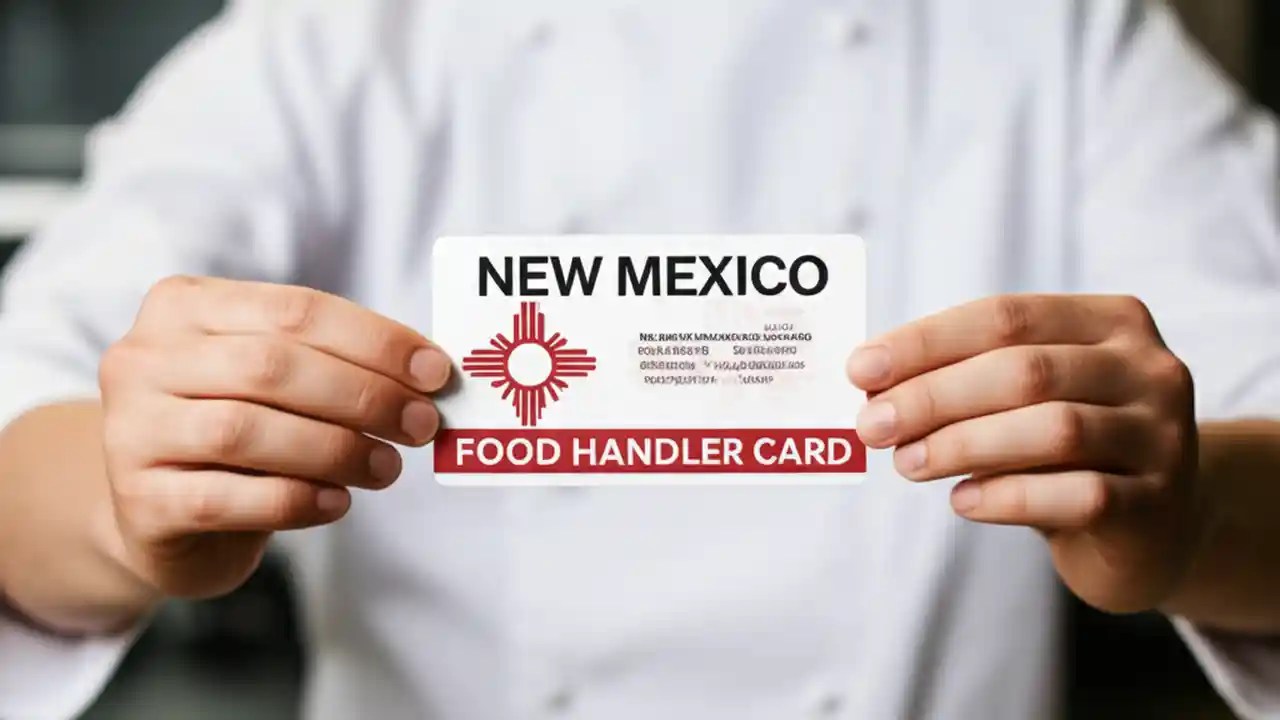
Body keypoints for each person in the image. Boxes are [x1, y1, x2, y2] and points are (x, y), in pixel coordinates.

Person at [1, 0, 1279, 718]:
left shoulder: (1060, 37)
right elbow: (22, 451)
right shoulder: (330, 44)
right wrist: (129, 502)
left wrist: (1188, 509)